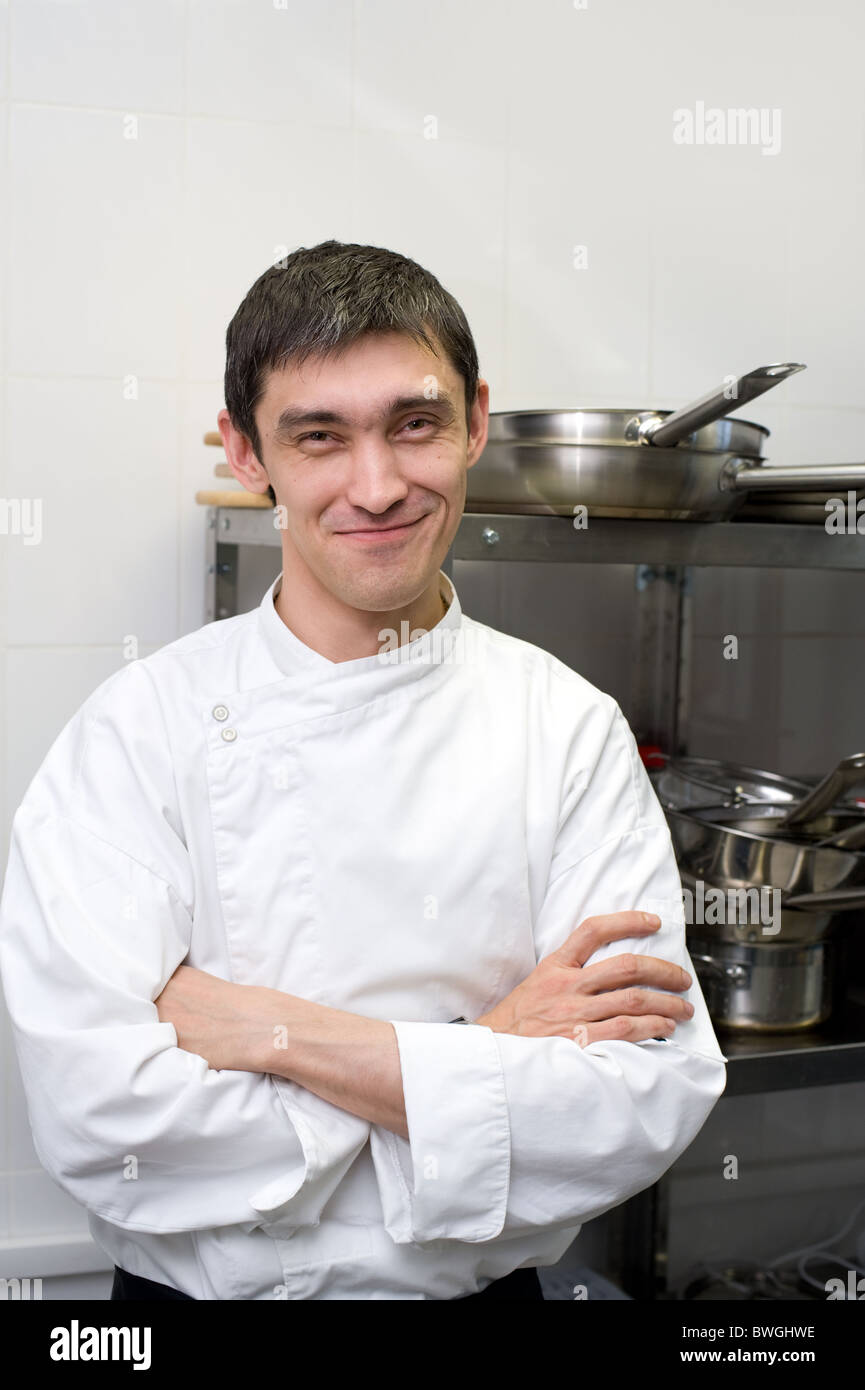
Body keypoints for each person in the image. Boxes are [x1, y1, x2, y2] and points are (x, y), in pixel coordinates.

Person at [0, 241, 726, 1301]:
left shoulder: (565, 728)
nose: (376, 486)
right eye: (319, 436)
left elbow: (637, 1105)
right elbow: (101, 1121)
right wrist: (485, 1055)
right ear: (247, 455)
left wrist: (273, 1035)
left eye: (414, 424)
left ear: (475, 420)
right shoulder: (136, 732)